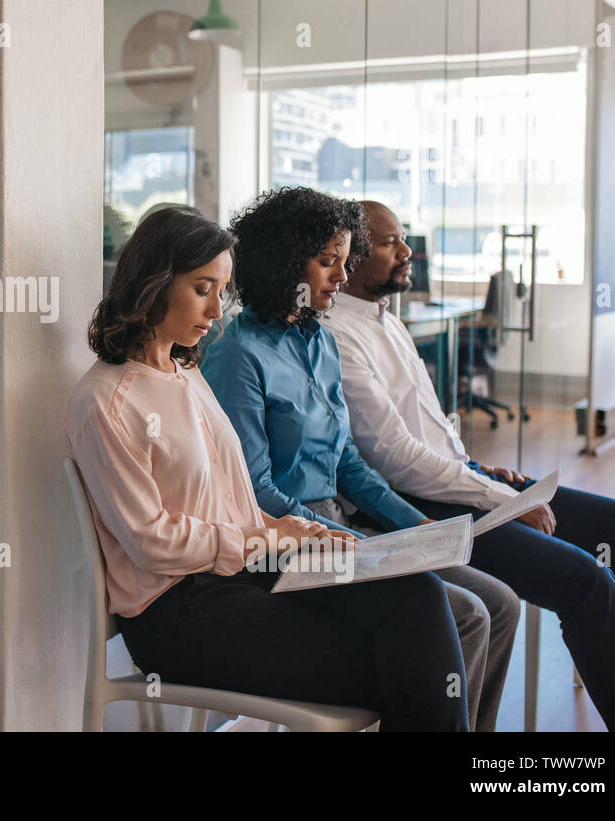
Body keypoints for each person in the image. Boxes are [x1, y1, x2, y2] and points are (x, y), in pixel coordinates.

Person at [65, 204, 468, 730]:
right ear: (154, 282)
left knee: (416, 596)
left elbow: (232, 497)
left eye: (222, 290)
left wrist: (286, 531)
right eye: (202, 288)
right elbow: (151, 541)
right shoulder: (107, 402)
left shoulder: (185, 372)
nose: (215, 311)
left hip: (244, 572)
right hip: (183, 613)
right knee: (408, 663)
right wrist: (265, 542)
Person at [323, 199, 615, 729]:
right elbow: (396, 460)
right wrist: (495, 497)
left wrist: (482, 470)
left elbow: (428, 432)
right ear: (348, 259)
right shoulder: (338, 333)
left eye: (402, 237)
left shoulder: (386, 320)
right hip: (423, 506)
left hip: (462, 482)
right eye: (390, 243)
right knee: (585, 581)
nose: (408, 251)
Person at [200, 187, 519, 731]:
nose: (343, 278)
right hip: (282, 542)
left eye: (346, 263)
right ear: (283, 262)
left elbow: (348, 460)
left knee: (501, 603)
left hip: (340, 523)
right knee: (463, 614)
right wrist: (361, 545)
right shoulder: (237, 354)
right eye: (328, 263)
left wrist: (413, 525)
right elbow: (252, 489)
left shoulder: (320, 341)